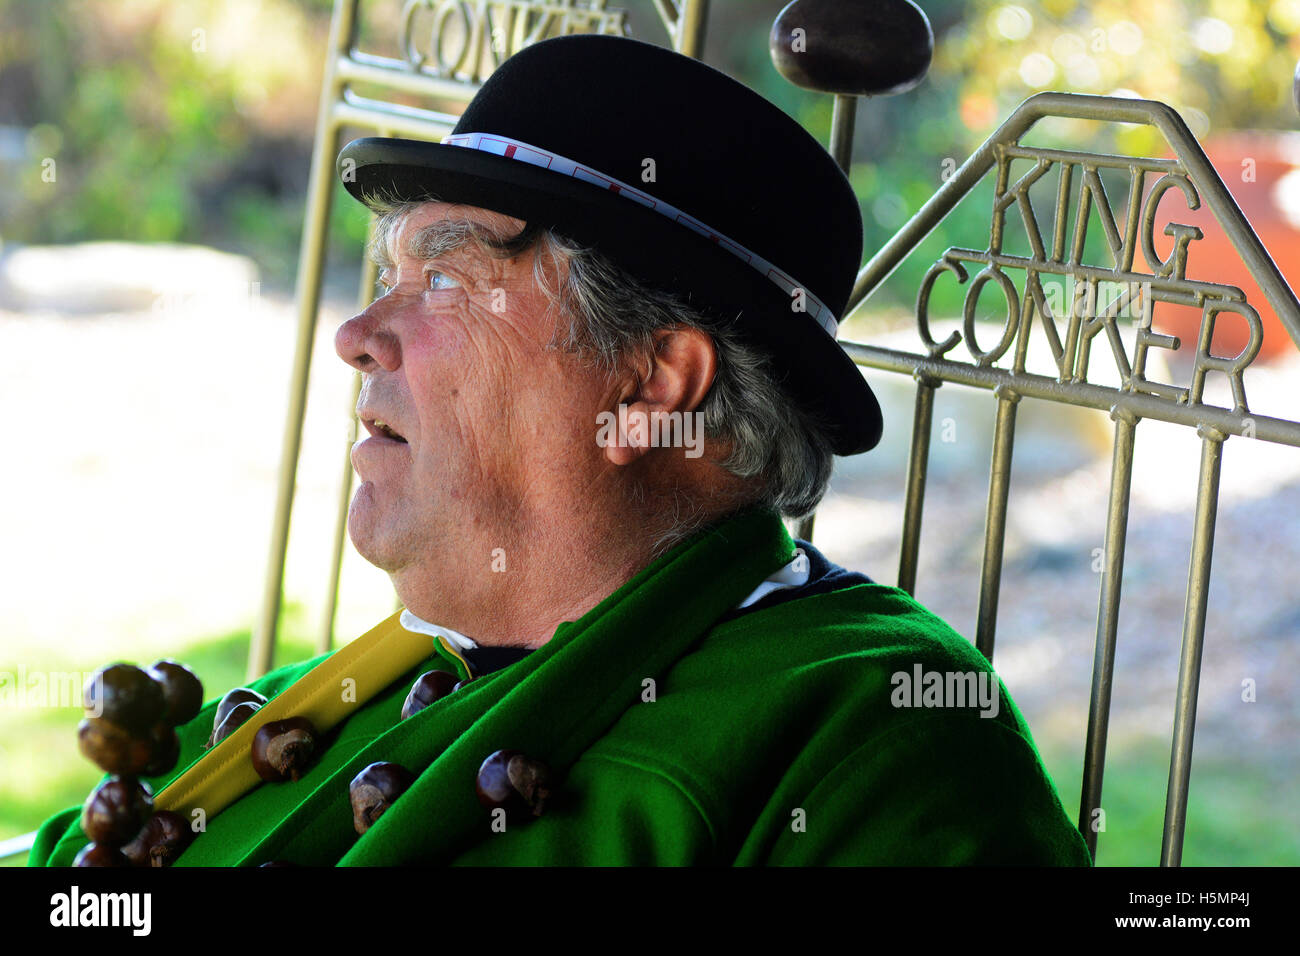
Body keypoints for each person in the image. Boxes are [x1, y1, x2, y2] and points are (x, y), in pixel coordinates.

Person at [31, 33, 1090, 866]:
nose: (358, 336)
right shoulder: (360, 692)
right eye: (389, 274)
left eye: (442, 277)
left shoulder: (876, 744)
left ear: (647, 384)